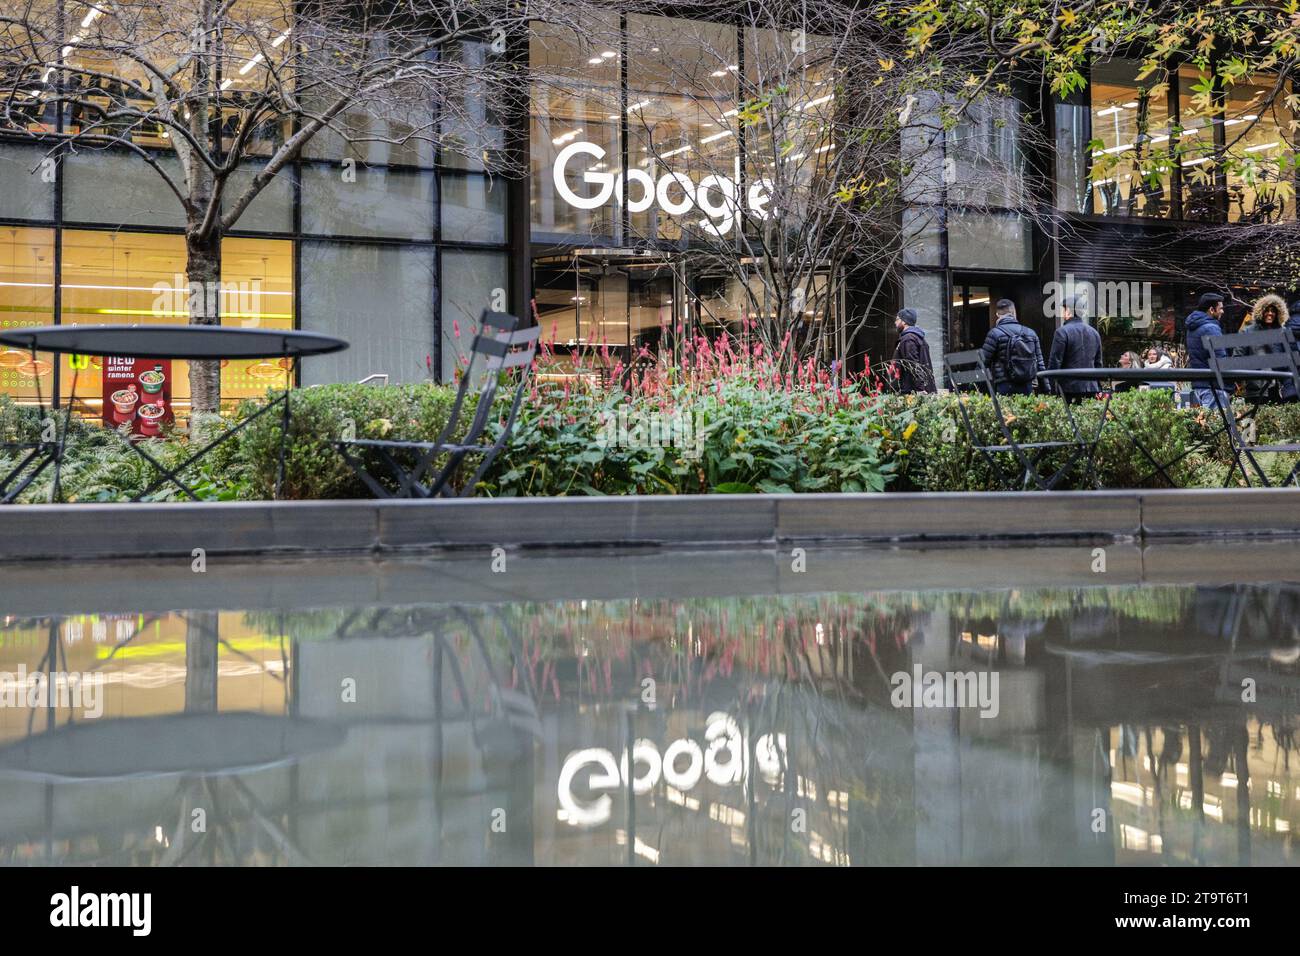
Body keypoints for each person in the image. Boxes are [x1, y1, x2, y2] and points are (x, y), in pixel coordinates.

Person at [978, 299, 1045, 395]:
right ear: (1014, 312)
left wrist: (976, 388)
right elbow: (1040, 364)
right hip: (1027, 386)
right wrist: (1046, 389)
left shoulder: (994, 333)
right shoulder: (1031, 333)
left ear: (997, 315)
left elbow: (982, 363)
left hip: (1004, 386)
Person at [1047, 293, 1103, 403]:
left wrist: (1052, 390)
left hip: (1068, 389)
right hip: (1090, 388)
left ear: (1068, 310)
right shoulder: (1094, 333)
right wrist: (1098, 387)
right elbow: (1098, 364)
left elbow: (1055, 363)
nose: (1062, 314)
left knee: (1068, 419)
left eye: (1063, 309)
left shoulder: (1062, 332)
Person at [1240, 293, 1289, 403]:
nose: (1270, 313)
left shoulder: (1283, 332)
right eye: (1267, 310)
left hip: (1279, 389)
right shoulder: (1248, 331)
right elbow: (1238, 357)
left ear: (1278, 313)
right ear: (1261, 312)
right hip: (1256, 389)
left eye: (1273, 311)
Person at [1185, 292, 1230, 409]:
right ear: (1211, 309)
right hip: (1213, 386)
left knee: (1206, 422)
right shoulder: (1211, 328)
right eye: (1220, 308)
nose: (1223, 311)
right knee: (1217, 423)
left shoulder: (1193, 327)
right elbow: (1220, 359)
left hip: (1200, 384)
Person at [889, 308, 936, 394]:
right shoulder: (916, 338)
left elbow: (913, 365)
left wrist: (920, 389)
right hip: (914, 391)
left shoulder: (908, 339)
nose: (895, 322)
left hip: (912, 393)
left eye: (897, 319)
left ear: (904, 322)